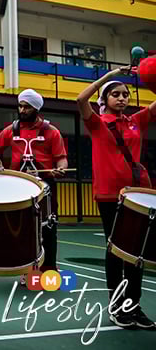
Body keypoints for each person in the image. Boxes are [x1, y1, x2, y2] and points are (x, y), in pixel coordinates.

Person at [77, 67, 155, 329]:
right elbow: (80, 100)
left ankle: (134, 305)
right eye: (115, 94)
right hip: (110, 195)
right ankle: (116, 305)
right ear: (105, 99)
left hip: (138, 193)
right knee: (116, 250)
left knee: (136, 252)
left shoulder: (137, 120)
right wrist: (108, 77)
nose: (122, 98)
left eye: (125, 94)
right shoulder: (97, 123)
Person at [0, 89, 67, 279]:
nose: (22, 110)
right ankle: (28, 271)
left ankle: (49, 270)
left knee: (48, 227)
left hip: (44, 185)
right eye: (20, 106)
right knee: (23, 229)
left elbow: (61, 158)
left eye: (27, 107)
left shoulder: (51, 132)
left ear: (36, 108)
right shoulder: (12, 129)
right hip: (19, 185)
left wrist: (61, 169)